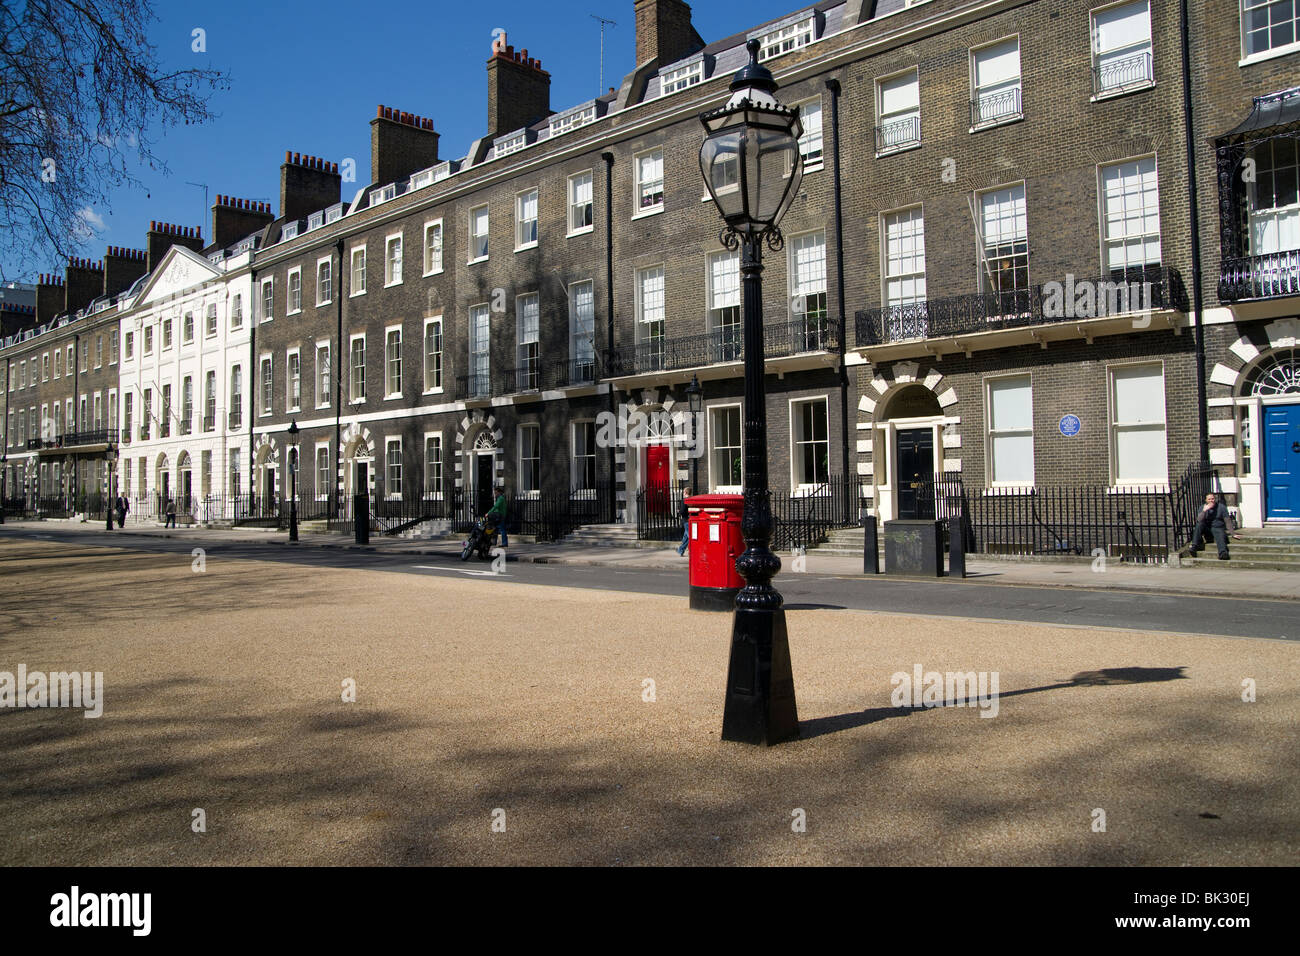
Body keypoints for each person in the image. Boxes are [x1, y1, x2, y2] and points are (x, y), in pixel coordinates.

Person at [1189, 492, 1241, 560]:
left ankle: (1223, 553)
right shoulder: (1203, 507)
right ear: (1206, 500)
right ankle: (1194, 546)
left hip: (1218, 527)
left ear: (1215, 499)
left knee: (1220, 536)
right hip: (1207, 529)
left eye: (1212, 499)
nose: (1211, 501)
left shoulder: (1221, 507)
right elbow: (1199, 520)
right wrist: (1204, 511)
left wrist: (1233, 533)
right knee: (1199, 524)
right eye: (1209, 499)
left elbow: (1227, 521)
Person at [677, 485, 692, 557]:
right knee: (686, 537)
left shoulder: (684, 500)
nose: (683, 493)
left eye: (683, 492)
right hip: (691, 519)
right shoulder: (691, 499)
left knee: (690, 537)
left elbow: (682, 511)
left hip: (685, 520)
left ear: (685, 492)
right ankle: (681, 550)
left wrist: (679, 511)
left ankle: (684, 550)